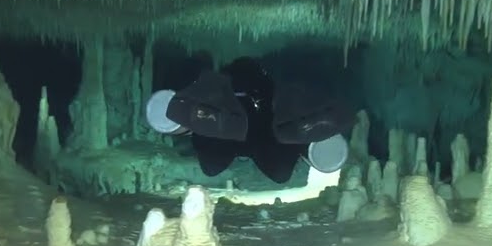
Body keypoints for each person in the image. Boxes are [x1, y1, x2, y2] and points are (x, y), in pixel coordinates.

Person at [145, 56, 353, 183]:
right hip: (261, 135)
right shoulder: (265, 90)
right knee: (279, 173)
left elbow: (195, 116)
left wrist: (189, 121)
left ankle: (306, 146)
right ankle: (307, 147)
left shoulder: (221, 93)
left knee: (211, 167)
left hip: (238, 134)